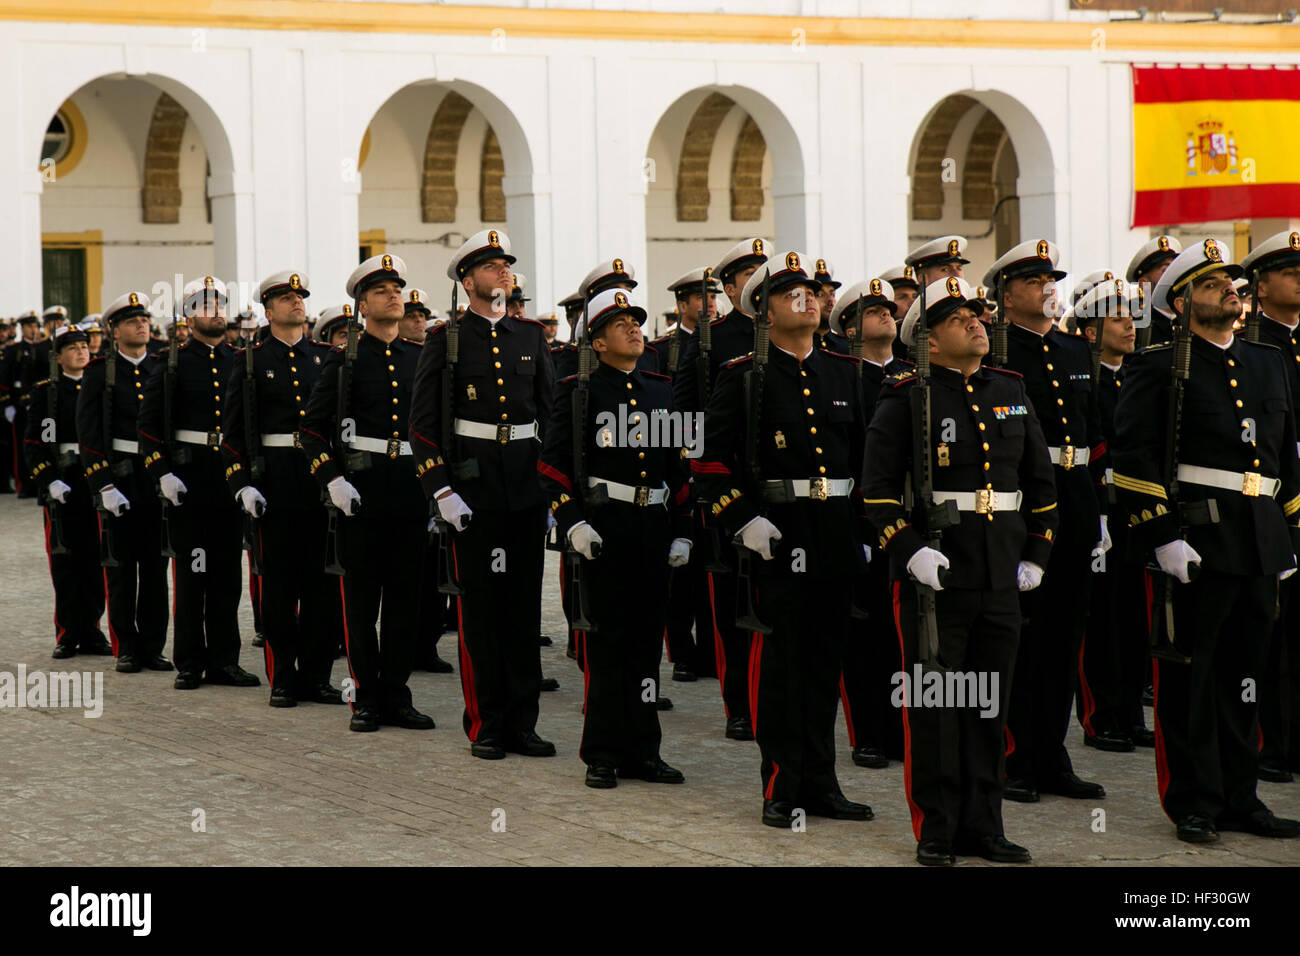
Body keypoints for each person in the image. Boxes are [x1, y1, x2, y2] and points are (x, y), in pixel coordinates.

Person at [864, 275, 1058, 865]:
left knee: (988, 707)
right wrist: (910, 550)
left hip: (1001, 574)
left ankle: (985, 825)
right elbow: (875, 493)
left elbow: (1040, 484)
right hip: (936, 579)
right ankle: (938, 828)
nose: (976, 322)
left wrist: (1037, 553)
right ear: (928, 338)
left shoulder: (1010, 389)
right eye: (957, 318)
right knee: (935, 709)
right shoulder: (906, 395)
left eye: (977, 313)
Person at [1112, 237, 1300, 842]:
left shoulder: (1267, 361)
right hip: (1198, 537)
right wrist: (1161, 535)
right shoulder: (1159, 364)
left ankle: (1241, 795)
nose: (1230, 291)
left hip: (1258, 539)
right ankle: (1192, 800)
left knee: (1247, 676)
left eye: (1233, 284)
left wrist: (1290, 531)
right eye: (1214, 283)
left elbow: (1285, 460)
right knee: (1191, 677)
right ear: (1185, 298)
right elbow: (1133, 460)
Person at [694, 250, 873, 828]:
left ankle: (822, 782)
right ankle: (782, 783)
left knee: (826, 666)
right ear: (763, 311)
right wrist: (741, 518)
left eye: (812, 292)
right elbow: (708, 462)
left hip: (836, 534)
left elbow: (870, 460)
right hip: (777, 533)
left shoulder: (847, 372)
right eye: (790, 292)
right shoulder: (743, 376)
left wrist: (868, 529)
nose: (808, 299)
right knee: (782, 669)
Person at [409, 229, 556, 758]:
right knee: (482, 613)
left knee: (523, 612)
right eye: (491, 266)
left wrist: (553, 492)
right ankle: (487, 722)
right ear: (467, 280)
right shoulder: (446, 339)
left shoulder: (531, 337)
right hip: (473, 495)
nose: (503, 272)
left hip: (523, 490)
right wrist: (441, 489)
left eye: (506, 264)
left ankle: (523, 722)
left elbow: (551, 416)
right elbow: (422, 425)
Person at [539, 288, 691, 788]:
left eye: (635, 321)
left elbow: (682, 469)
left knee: (647, 648)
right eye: (619, 323)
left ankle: (644, 750)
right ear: (597, 342)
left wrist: (684, 531)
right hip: (606, 529)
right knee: (607, 647)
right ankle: (602, 752)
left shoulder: (662, 391)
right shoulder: (579, 390)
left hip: (653, 528)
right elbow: (552, 464)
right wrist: (573, 522)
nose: (633, 328)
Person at [984, 238, 1108, 803]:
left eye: (1051, 280)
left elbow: (1098, 434)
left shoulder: (1077, 351)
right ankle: (1015, 755)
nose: (1048, 289)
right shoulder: (997, 355)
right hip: (1024, 503)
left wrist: (1099, 509)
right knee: (1023, 636)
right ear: (1007, 294)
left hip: (1076, 498)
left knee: (1065, 633)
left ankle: (1052, 753)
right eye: (1035, 282)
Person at [300, 255, 435, 732]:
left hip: (410, 491)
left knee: (405, 602)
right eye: (381, 291)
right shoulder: (343, 362)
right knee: (361, 606)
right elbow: (312, 432)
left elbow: (434, 431)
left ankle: (397, 694)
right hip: (361, 492)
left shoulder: (421, 359)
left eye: (397, 288)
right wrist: (333, 480)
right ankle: (367, 698)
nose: (393, 296)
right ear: (361, 305)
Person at [221, 270, 343, 708]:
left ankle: (317, 676)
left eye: (300, 297)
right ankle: (283, 677)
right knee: (279, 590)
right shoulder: (250, 360)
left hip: (319, 483)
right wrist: (241, 485)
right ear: (268, 310)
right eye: (287, 298)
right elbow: (232, 433)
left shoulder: (326, 357)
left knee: (322, 590)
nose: (297, 303)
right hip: (274, 484)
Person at [137, 277, 259, 691]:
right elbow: (149, 426)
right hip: (189, 481)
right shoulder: (170, 362)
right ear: (188, 316)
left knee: (226, 576)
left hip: (229, 480)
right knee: (193, 573)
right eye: (206, 305)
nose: (216, 311)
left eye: (220, 304)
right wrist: (162, 472)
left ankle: (225, 660)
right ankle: (189, 660)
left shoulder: (240, 360)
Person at [672, 237, 770, 741]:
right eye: (748, 273)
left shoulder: (788, 333)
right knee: (734, 608)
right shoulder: (713, 340)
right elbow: (686, 418)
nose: (759, 278)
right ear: (730, 288)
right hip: (729, 491)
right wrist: (705, 485)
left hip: (780, 493)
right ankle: (739, 703)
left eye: (764, 269)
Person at [829, 278, 912, 769]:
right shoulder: (843, 377)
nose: (886, 314)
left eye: (888, 307)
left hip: (908, 522)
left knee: (903, 633)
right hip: (863, 520)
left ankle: (901, 729)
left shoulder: (910, 373)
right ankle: (868, 733)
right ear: (849, 326)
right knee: (864, 636)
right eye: (873, 309)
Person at [1065, 279, 1150, 752]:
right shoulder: (1084, 378)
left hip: (1133, 510)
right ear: (1092, 331)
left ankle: (1130, 712)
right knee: (1100, 619)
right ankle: (1100, 716)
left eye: (1130, 318)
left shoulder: (1136, 374)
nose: (1130, 327)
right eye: (1118, 319)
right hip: (1100, 503)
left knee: (1133, 616)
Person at [75, 292, 172, 673]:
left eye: (145, 319)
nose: (142, 325)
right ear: (114, 331)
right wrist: (103, 485)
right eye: (132, 321)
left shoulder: (162, 367)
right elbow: (88, 434)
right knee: (121, 570)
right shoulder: (100, 371)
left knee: (155, 568)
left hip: (155, 477)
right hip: (120, 478)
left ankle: (153, 645)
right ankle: (126, 646)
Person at [1241, 229, 1300, 783]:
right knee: (1272, 629)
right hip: (1275, 498)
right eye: (1289, 270)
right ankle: (1272, 742)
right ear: (1260, 286)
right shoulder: (1257, 348)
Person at [649, 267, 721, 682]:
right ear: (682, 305)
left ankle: (712, 650)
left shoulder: (727, 344)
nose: (709, 302)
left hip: (712, 456)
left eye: (712, 296)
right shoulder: (664, 350)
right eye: (699, 297)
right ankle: (682, 651)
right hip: (678, 458)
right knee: (680, 569)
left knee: (710, 563)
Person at [23, 326, 111, 658]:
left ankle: (93, 630)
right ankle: (67, 632)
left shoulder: (100, 388)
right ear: (58, 357)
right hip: (63, 481)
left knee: (96, 558)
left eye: (85, 347)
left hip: (94, 478)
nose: (81, 352)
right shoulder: (47, 392)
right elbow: (34, 442)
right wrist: (48, 480)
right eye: (72, 348)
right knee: (65, 561)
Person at [1126, 235, 1181, 347]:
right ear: (1143, 284)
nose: (1174, 276)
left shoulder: (1194, 316)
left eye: (1176, 269)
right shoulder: (1132, 321)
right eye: (1165, 270)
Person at [811, 258, 849, 354]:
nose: (830, 301)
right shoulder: (796, 345)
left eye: (832, 294)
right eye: (820, 295)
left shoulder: (846, 347)